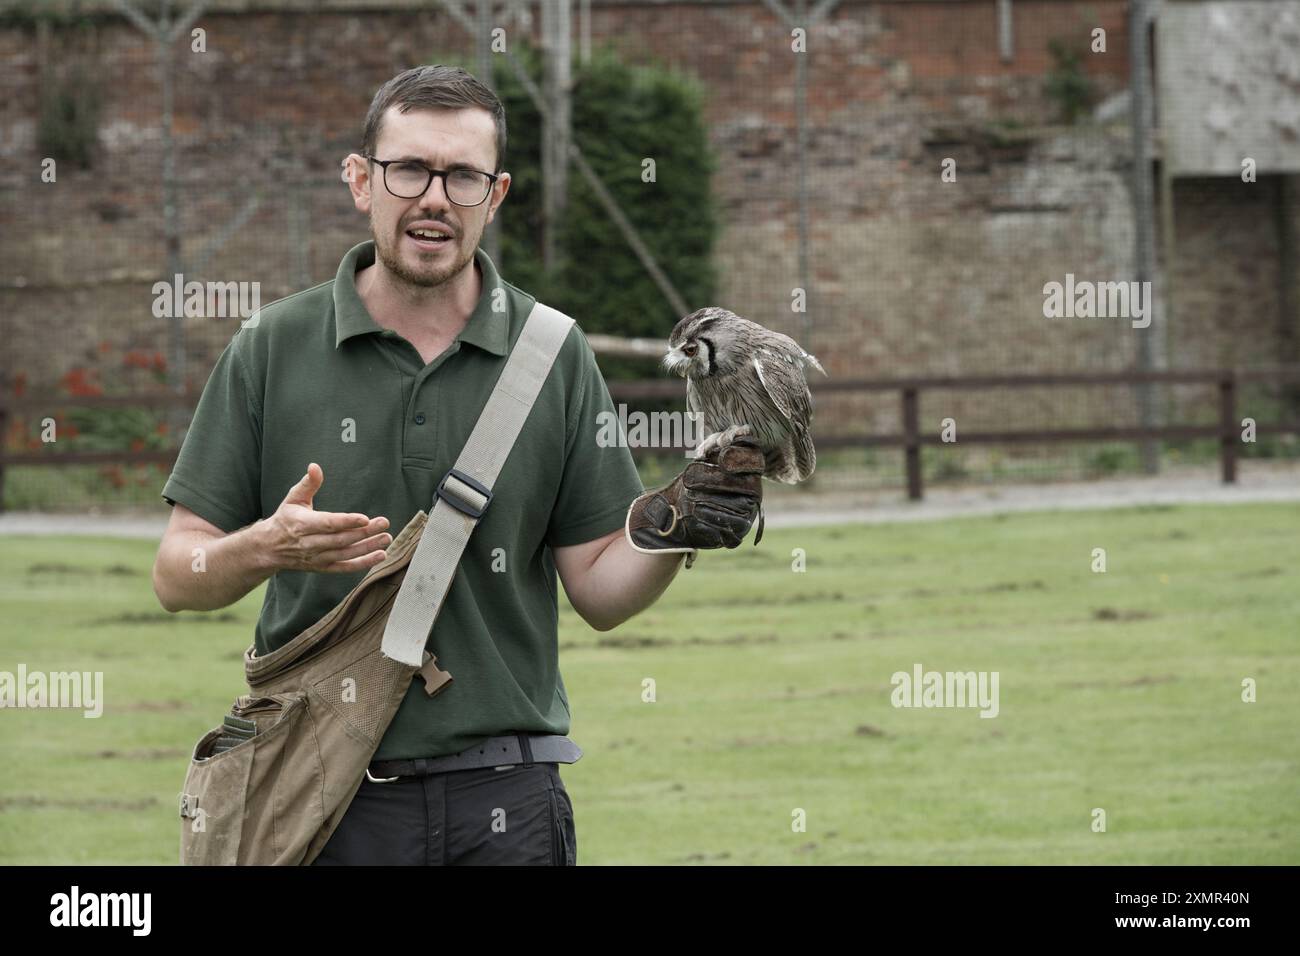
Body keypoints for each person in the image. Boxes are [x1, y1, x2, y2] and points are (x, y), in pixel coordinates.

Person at [152, 64, 762, 865]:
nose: (435, 197)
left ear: (495, 195)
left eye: (463, 176)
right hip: (324, 794)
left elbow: (601, 591)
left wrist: (675, 524)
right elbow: (175, 571)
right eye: (409, 169)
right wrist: (260, 548)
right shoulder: (272, 347)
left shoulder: (555, 353)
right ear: (361, 180)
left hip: (506, 798)